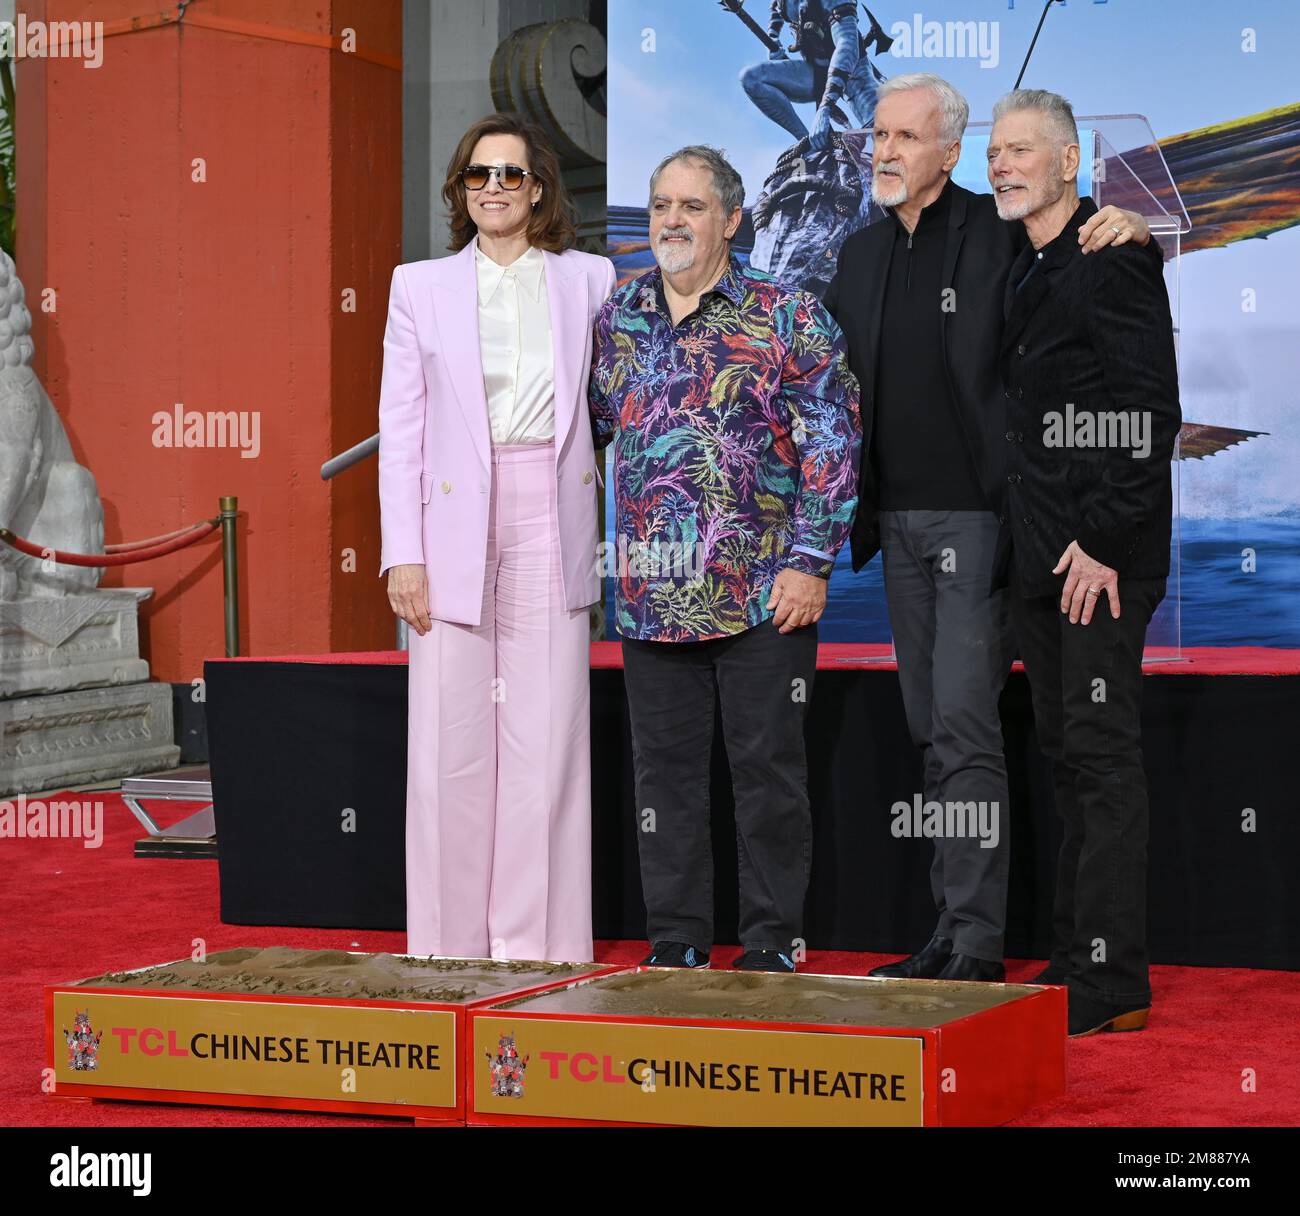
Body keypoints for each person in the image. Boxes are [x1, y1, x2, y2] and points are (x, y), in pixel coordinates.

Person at [823, 73, 1155, 982]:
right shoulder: (854, 255)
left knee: (966, 731)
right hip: (892, 527)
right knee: (931, 729)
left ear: (948, 153)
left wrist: (1128, 221)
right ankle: (949, 928)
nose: (882, 151)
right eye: (877, 136)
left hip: (985, 526)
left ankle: (974, 946)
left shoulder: (1001, 233)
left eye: (902, 137)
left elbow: (1082, 247)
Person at [589, 145, 861, 973]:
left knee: (766, 774)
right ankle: (675, 938)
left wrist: (812, 559)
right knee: (662, 780)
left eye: (693, 206)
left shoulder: (789, 317)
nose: (673, 219)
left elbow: (834, 443)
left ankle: (773, 939)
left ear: (733, 220)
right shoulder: (618, 318)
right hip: (648, 599)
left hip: (762, 596)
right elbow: (595, 436)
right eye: (662, 203)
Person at [378, 112, 617, 963]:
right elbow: (400, 429)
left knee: (546, 736)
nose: (492, 189)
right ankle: (447, 951)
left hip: (552, 513)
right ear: (459, 189)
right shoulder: (418, 287)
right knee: (447, 740)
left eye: (509, 175)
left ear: (539, 188)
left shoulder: (592, 280)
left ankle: (542, 951)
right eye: (477, 175)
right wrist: (401, 552)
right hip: (450, 525)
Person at [988, 89, 1180, 1036]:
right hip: (1042, 561)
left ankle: (1111, 985)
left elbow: (1150, 412)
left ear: (1071, 162)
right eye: (994, 151)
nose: (1003, 165)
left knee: (1100, 765)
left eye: (1023, 150)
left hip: (1099, 559)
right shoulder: (1024, 266)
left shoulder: (1116, 258)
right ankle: (1079, 965)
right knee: (1071, 760)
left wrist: (1102, 541)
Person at [739, 0, 888, 147]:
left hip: (854, 73)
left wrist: (825, 107)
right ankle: (809, 146)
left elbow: (847, 45)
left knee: (885, 130)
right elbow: (777, 10)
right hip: (817, 71)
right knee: (752, 78)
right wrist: (773, 42)